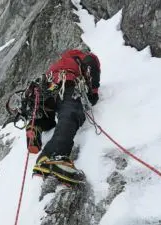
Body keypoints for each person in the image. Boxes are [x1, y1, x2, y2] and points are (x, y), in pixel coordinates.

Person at [26, 48, 101, 184]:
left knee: (50, 116)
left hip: (47, 88)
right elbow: (92, 63)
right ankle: (54, 155)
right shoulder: (83, 56)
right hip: (67, 83)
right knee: (70, 113)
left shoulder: (59, 62)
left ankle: (36, 124)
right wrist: (93, 93)